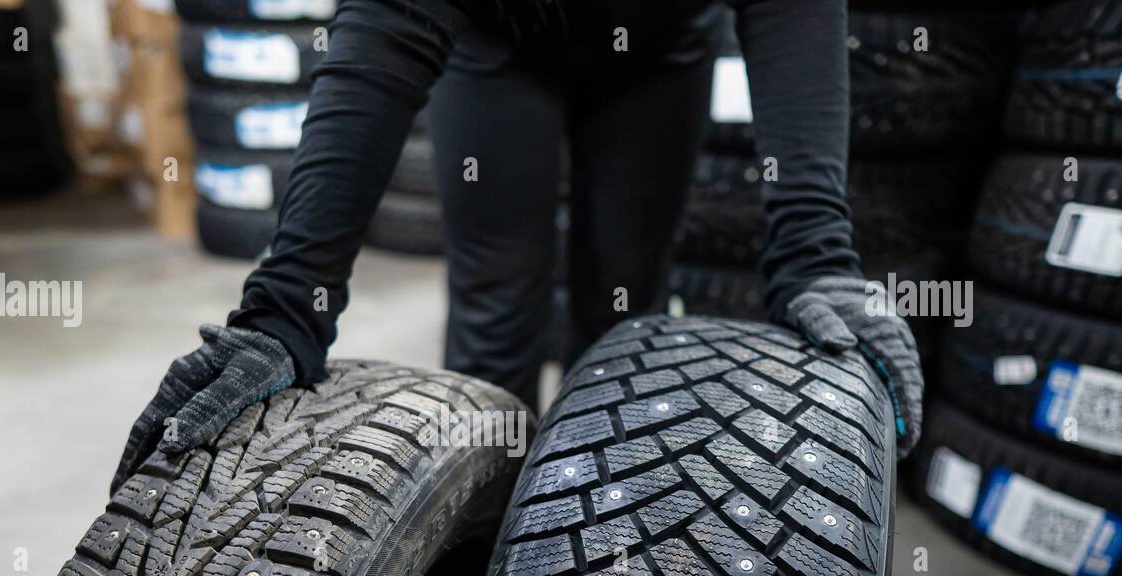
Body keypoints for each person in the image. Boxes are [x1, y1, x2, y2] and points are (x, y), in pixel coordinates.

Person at [111, 0, 923, 493]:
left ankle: (594, 563)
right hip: (501, 50)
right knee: (495, 324)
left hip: (659, 51)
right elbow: (386, 28)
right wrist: (287, 308)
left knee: (621, 320)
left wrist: (815, 254)